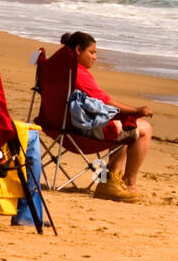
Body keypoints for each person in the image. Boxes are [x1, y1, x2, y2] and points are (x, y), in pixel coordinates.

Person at [60, 31, 153, 202]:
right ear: (78, 50)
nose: (95, 57)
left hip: (59, 124)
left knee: (123, 127)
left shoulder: (58, 67)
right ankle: (127, 183)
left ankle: (107, 181)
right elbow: (107, 101)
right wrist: (135, 110)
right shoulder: (79, 73)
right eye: (92, 52)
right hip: (81, 129)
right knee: (142, 128)